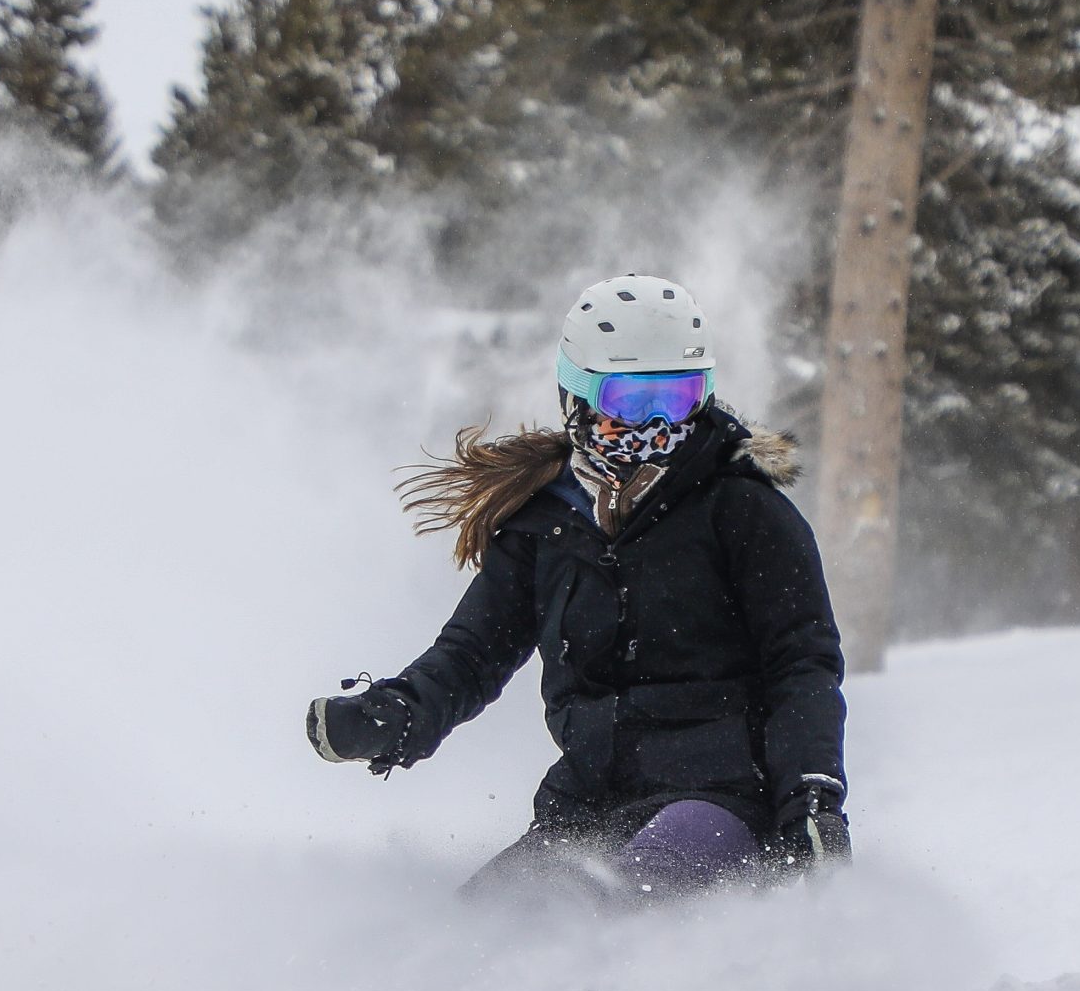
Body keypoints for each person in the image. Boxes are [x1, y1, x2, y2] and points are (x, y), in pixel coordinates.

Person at [306, 274, 850, 905]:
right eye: (630, 397)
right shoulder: (547, 522)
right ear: (579, 395)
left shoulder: (743, 510)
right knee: (474, 931)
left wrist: (811, 796)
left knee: (619, 904)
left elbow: (803, 664)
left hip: (722, 801)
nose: (653, 421)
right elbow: (474, 653)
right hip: (588, 804)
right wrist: (399, 713)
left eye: (677, 397)